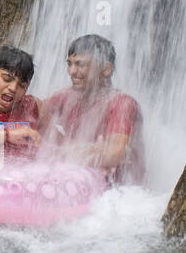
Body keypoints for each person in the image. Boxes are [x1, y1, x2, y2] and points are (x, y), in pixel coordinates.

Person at [41, 34, 145, 186]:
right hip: (78, 183)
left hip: (118, 195)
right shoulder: (67, 97)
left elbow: (116, 152)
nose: (71, 71)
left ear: (106, 69)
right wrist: (61, 142)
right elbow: (34, 113)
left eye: (80, 65)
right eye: (69, 64)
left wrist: (61, 152)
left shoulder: (122, 103)